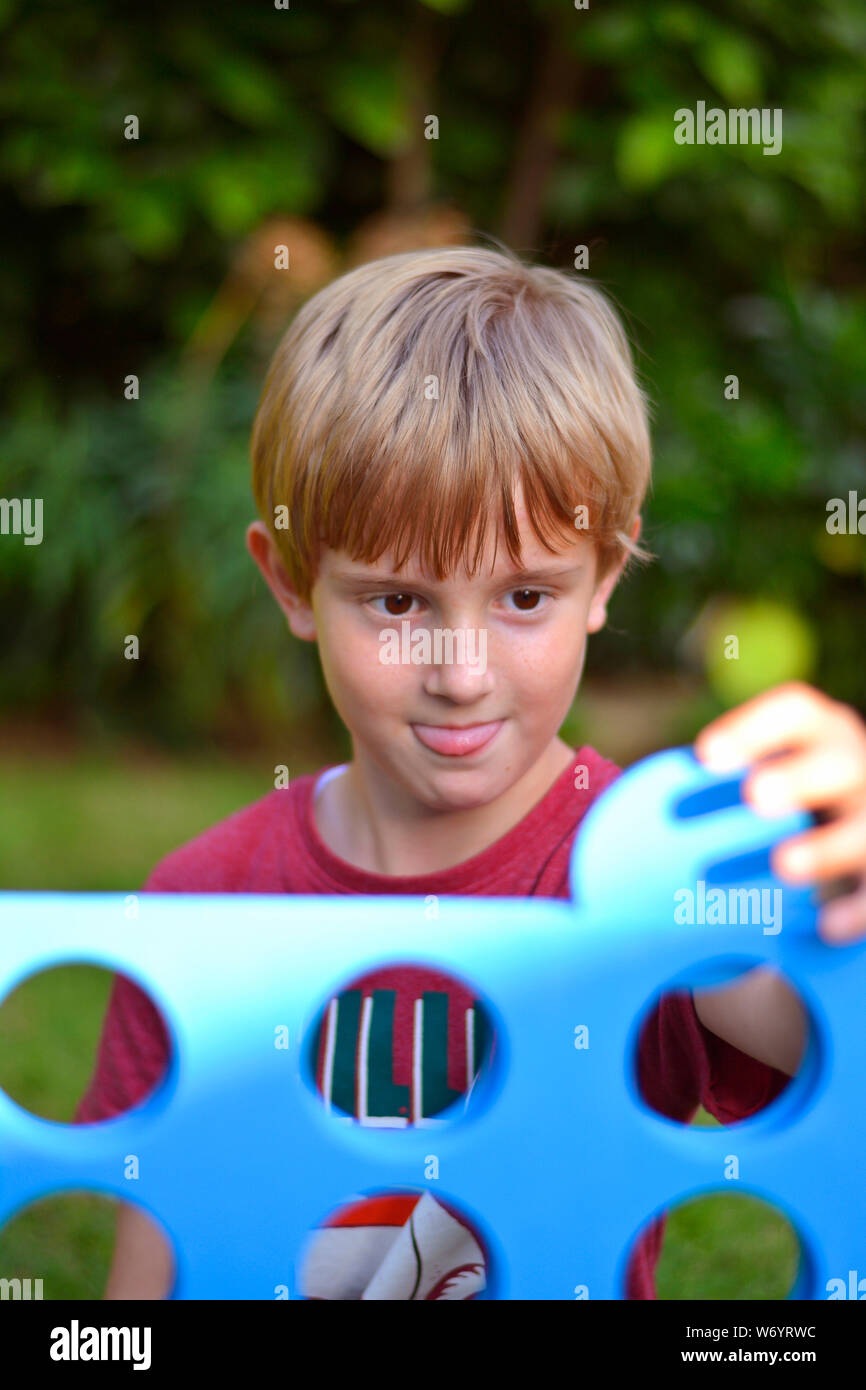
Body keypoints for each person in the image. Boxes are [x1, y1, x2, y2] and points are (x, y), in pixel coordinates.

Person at [73, 245, 866, 1299]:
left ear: (605, 573)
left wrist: (840, 888)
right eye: (397, 601)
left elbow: (828, 1065)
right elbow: (150, 1277)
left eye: (524, 597)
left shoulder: (653, 879)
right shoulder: (195, 904)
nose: (460, 672)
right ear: (293, 581)